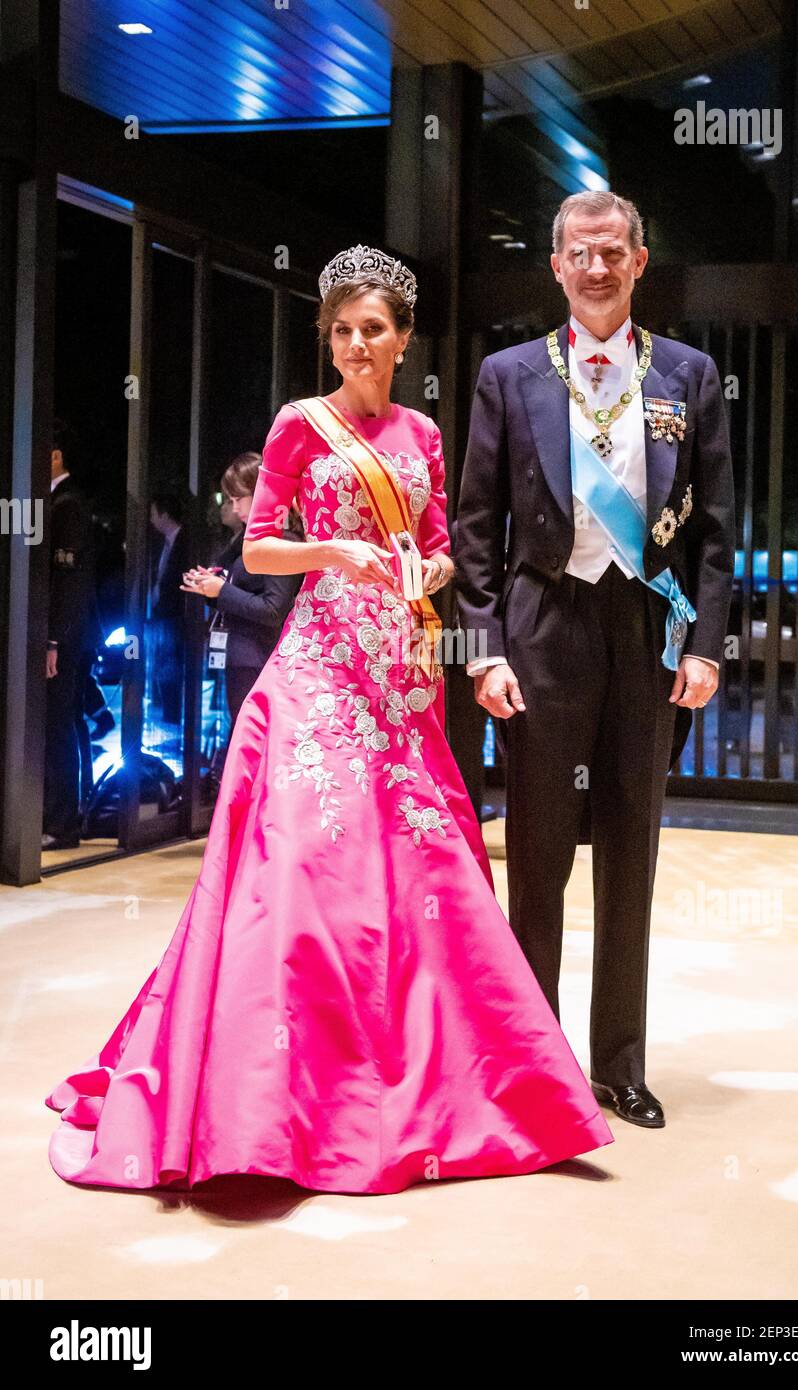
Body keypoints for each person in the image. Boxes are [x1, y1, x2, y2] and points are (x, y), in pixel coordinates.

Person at [43, 244, 613, 1195]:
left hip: (400, 671)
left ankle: (433, 1085)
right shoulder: (299, 428)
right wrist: (334, 552)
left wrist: (429, 571)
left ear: (402, 340)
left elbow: (437, 549)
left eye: (373, 331)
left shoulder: (426, 436)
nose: (356, 347)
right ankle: (277, 1098)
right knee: (308, 861)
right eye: (341, 332)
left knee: (422, 866)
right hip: (317, 666)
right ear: (329, 339)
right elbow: (259, 551)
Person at [454, 190, 736, 1130]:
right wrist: (483, 653)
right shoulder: (509, 374)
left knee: (631, 853)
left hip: (648, 634)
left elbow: (717, 536)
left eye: (614, 252)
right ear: (557, 265)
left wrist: (704, 645)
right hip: (542, 633)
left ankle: (619, 1063)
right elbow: (475, 528)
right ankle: (537, 1067)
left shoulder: (690, 376)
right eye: (581, 253)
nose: (599, 267)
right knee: (537, 859)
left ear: (640, 262)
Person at [180, 452, 301, 728]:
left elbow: (273, 609)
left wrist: (221, 590)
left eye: (238, 499)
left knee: (252, 743)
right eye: (230, 500)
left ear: (260, 493)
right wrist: (212, 587)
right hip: (246, 657)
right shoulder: (256, 539)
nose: (234, 508)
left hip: (259, 660)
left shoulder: (281, 539)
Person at [43, 419, 101, 851]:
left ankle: (63, 823)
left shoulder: (68, 506)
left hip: (66, 636)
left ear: (56, 456)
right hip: (68, 634)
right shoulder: (62, 503)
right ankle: (64, 818)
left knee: (60, 727)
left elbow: (70, 582)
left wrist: (55, 640)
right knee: (65, 725)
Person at [148, 492, 188, 728]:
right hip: (164, 615)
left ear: (164, 514)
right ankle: (169, 713)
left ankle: (172, 715)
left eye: (154, 513)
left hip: (174, 617)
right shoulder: (166, 542)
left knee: (169, 663)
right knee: (165, 662)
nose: (151, 519)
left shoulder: (183, 541)